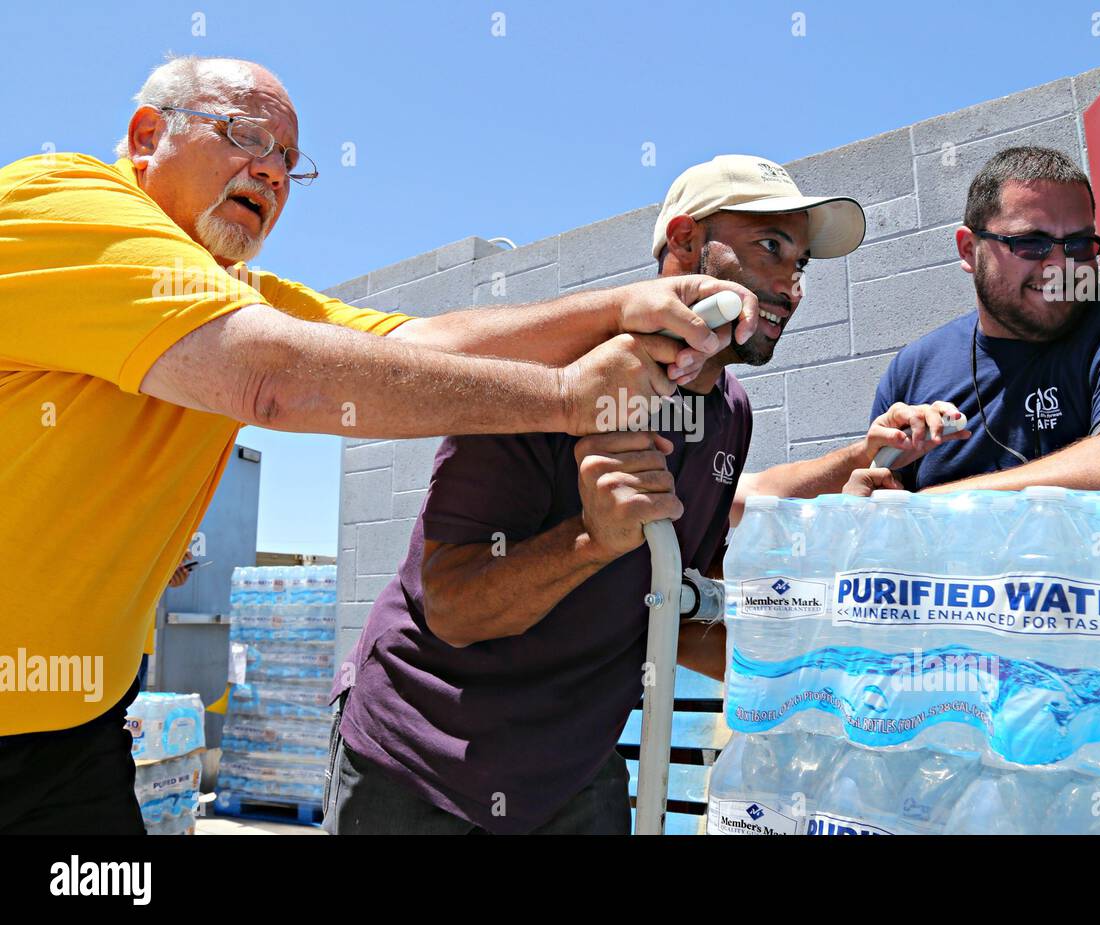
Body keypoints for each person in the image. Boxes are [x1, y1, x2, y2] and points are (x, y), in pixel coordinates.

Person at [0, 56, 755, 835]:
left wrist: (620, 306)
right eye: (246, 134)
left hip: (72, 741)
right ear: (147, 136)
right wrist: (567, 397)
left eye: (290, 161)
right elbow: (272, 378)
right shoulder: (59, 201)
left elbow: (428, 339)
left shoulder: (243, 293)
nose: (272, 172)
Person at [325, 154, 965, 835]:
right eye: (770, 248)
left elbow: (683, 581)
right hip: (424, 761)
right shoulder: (547, 376)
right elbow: (452, 605)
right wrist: (589, 543)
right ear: (685, 242)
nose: (791, 284)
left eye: (801, 264)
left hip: (571, 768)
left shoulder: (727, 410)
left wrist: (850, 507)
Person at [862, 145, 1100, 494]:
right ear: (969, 250)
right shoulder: (914, 371)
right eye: (1030, 243)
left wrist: (926, 507)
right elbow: (878, 501)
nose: (1060, 266)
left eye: (1079, 244)